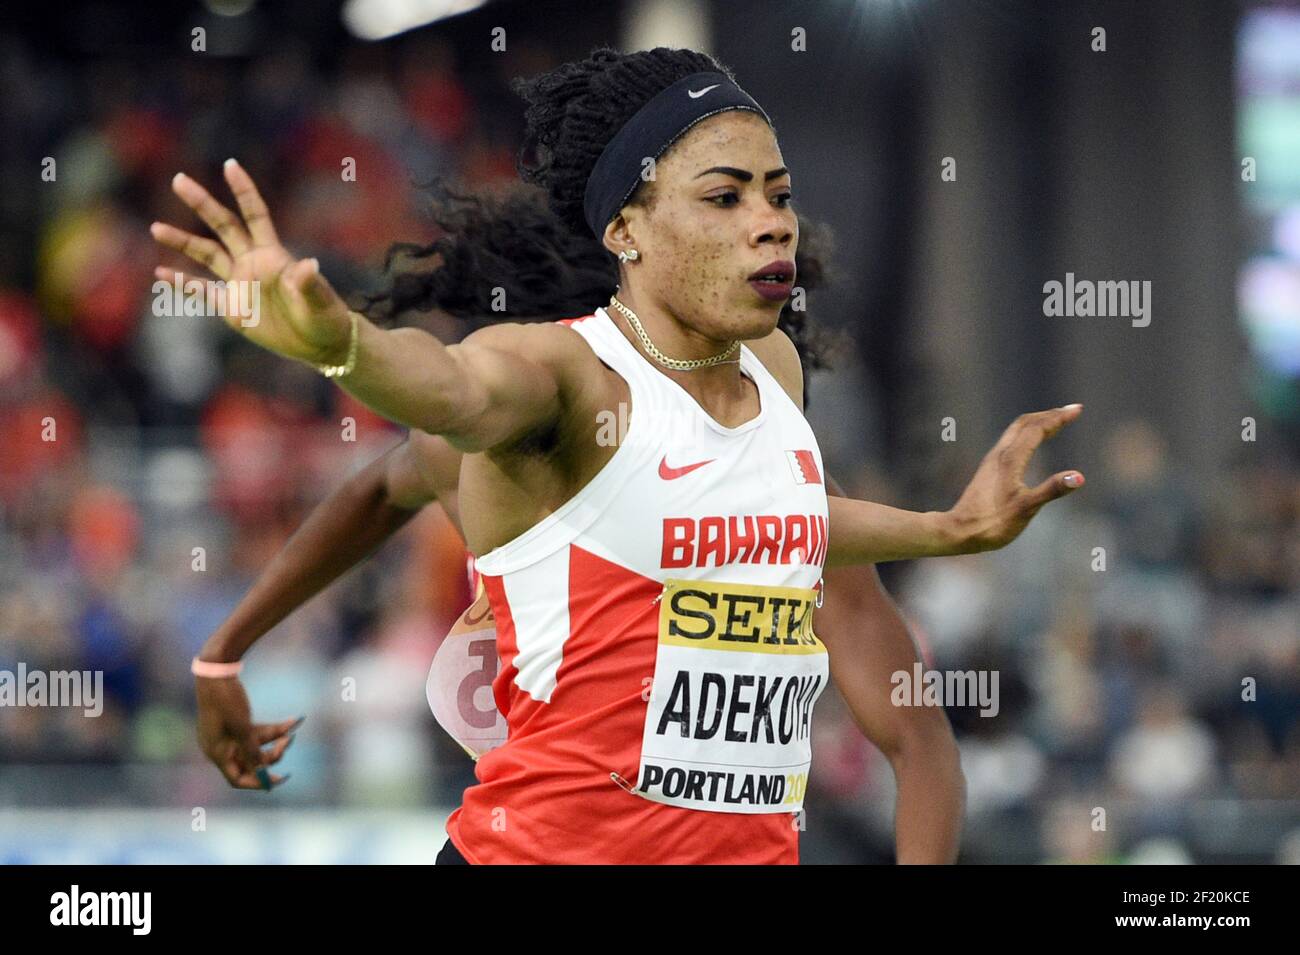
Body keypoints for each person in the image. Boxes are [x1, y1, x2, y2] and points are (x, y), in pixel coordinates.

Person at [153, 46, 1084, 864]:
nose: (774, 221)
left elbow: (909, 720)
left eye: (781, 195)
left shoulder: (775, 386)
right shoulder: (553, 378)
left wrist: (952, 529)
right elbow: (437, 401)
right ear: (626, 232)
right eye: (725, 196)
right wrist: (338, 344)